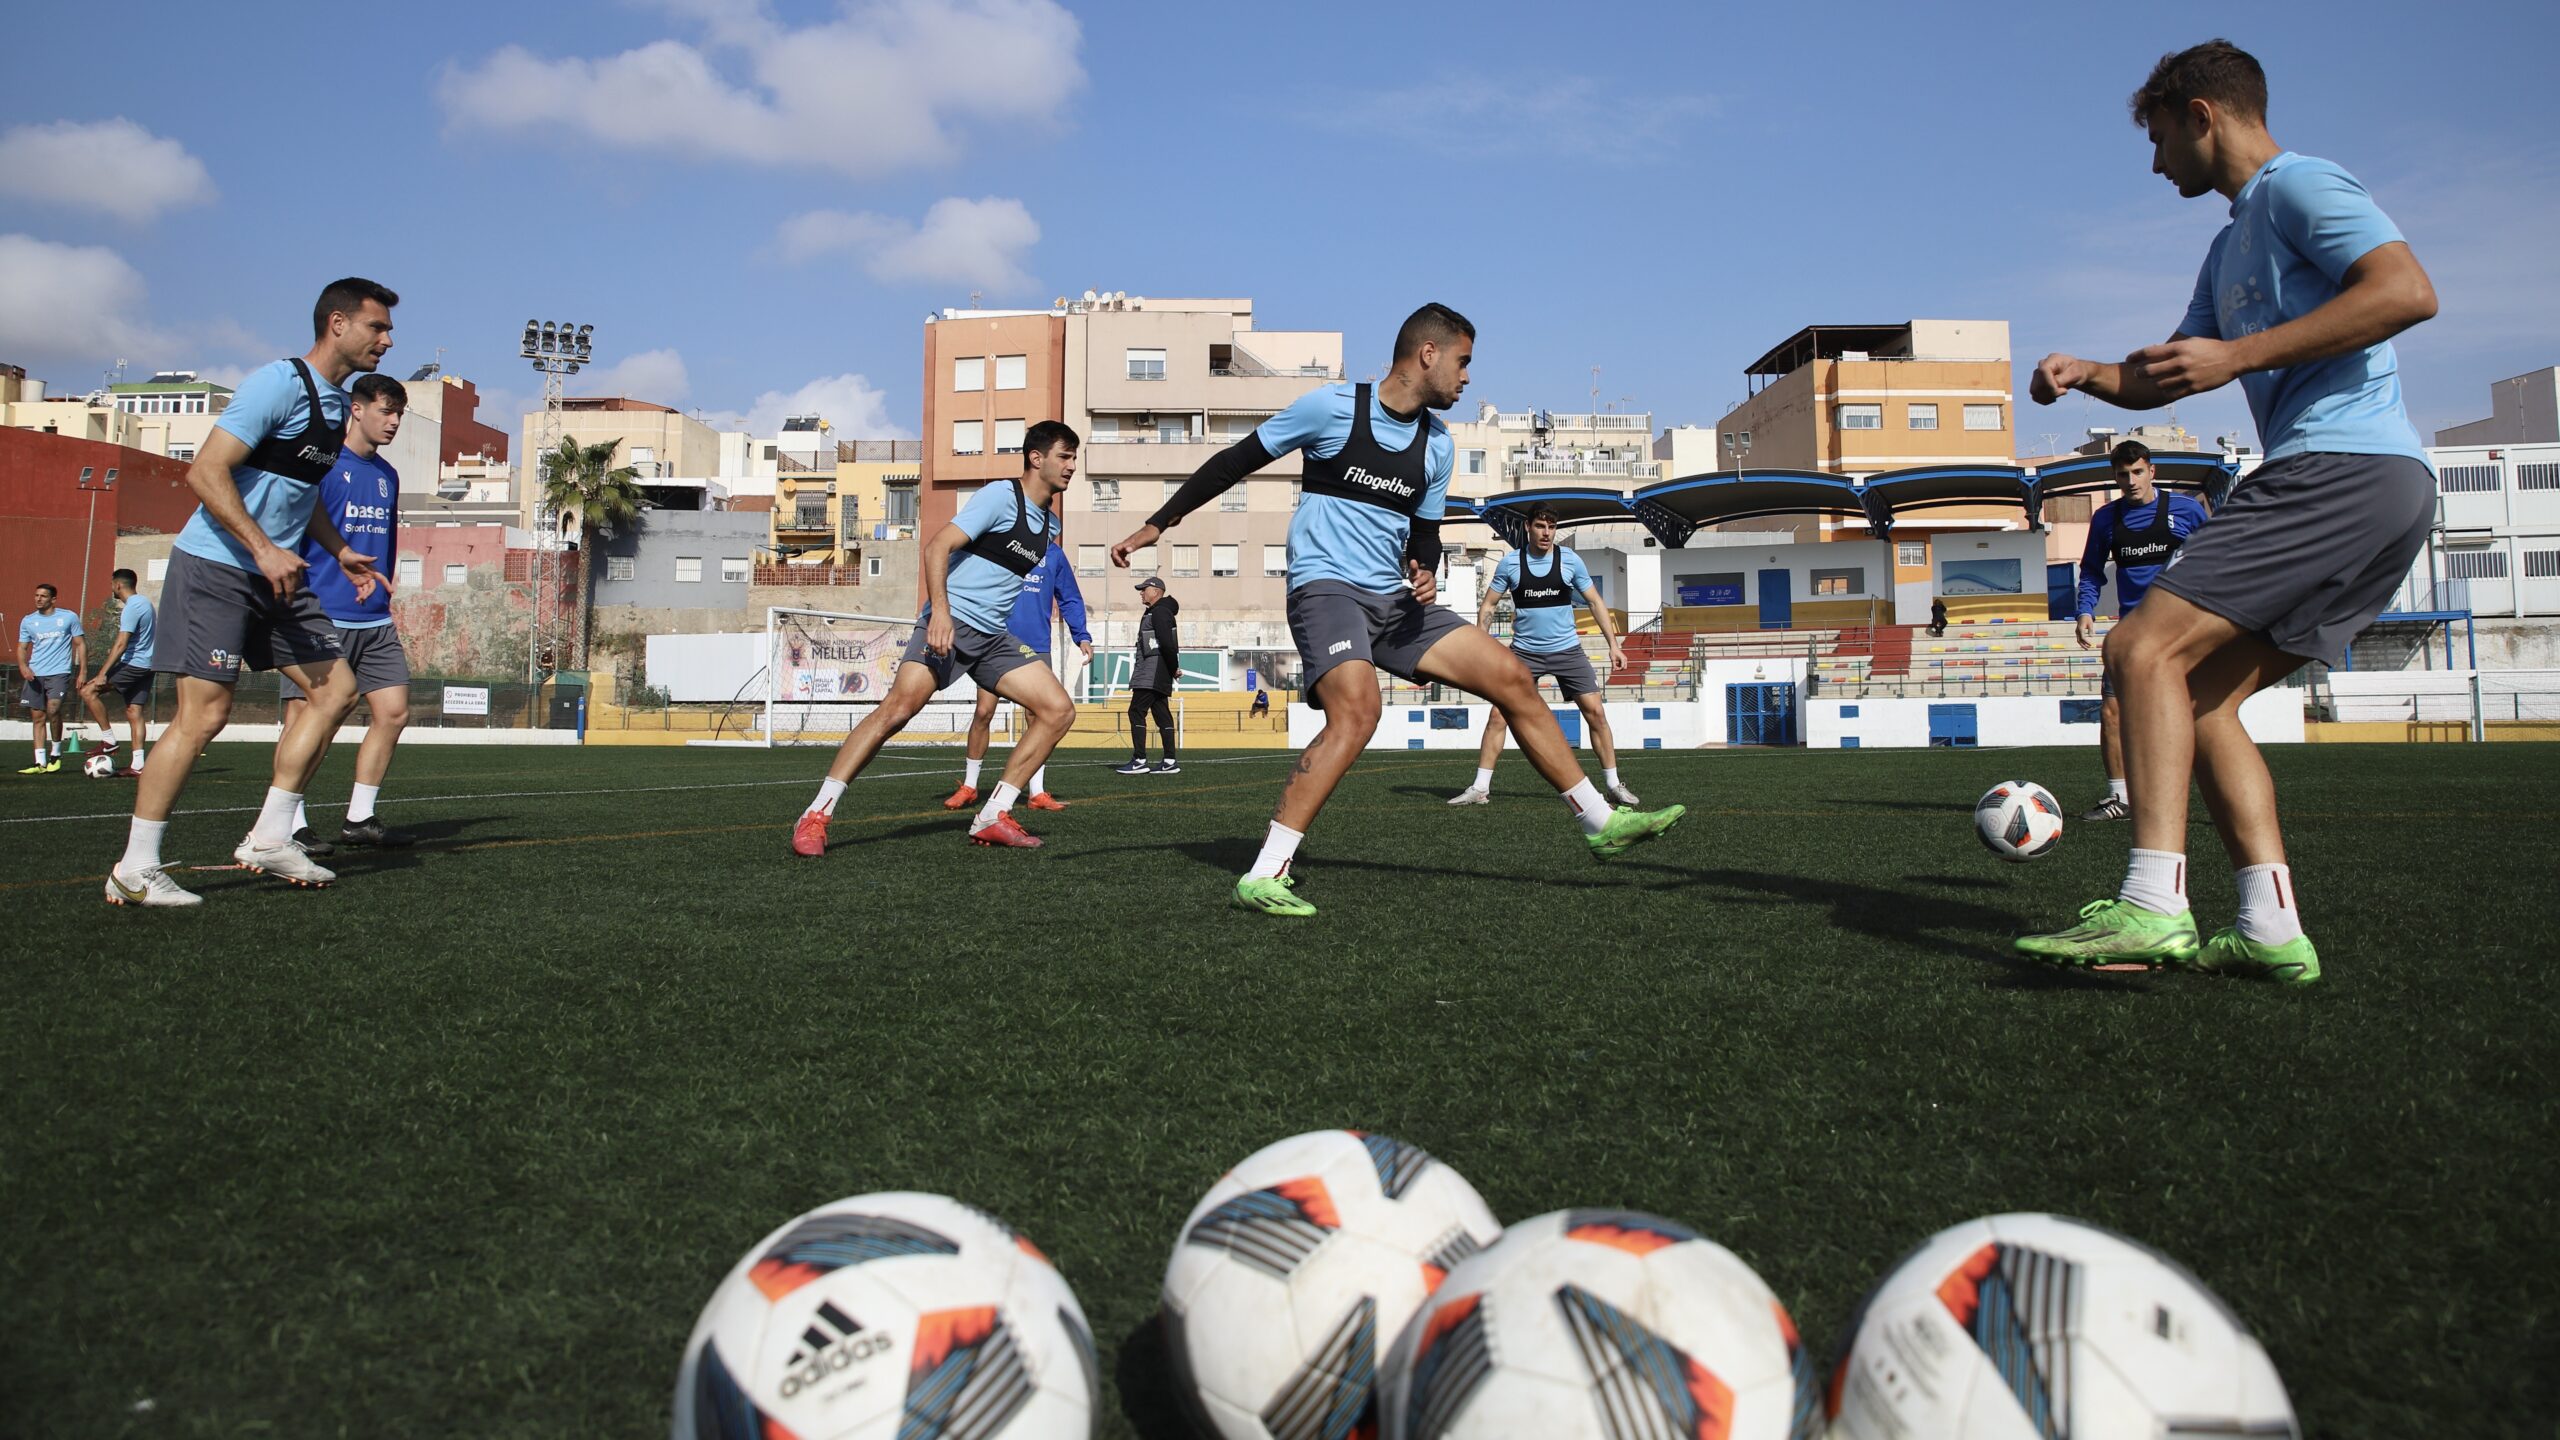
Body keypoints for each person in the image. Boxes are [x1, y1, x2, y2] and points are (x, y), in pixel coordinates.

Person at [2017, 40, 2439, 985]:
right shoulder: (2227, 245)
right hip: (2378, 488)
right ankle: (2269, 925)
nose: (2156, 162)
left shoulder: (2300, 187)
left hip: (2340, 464)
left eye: (2161, 139)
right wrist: (2086, 372)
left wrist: (2243, 360)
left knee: (2139, 651)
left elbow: (2407, 291)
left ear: (2204, 115)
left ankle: (2153, 907)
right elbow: (2170, 367)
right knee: (2203, 700)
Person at [1110, 302, 1684, 917]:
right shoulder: (1332, 407)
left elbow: (1426, 531)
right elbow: (1234, 462)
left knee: (1515, 679)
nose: (1467, 379)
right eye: (1463, 364)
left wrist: (1426, 568)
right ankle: (1264, 872)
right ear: (1427, 355)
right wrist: (1157, 525)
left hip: (1395, 601)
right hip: (1326, 591)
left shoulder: (1437, 444)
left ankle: (1600, 823)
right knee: (1359, 713)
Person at [103, 276, 397, 907]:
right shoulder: (279, 383)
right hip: (218, 568)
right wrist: (263, 548)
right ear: (338, 324)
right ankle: (136, 865)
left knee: (336, 690)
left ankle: (270, 835)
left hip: (279, 575)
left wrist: (341, 552)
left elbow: (302, 491)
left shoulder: (335, 404)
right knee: (204, 714)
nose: (387, 339)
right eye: (377, 327)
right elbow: (203, 470)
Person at [790, 421, 1083, 857]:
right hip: (950, 622)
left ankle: (992, 815)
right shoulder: (1002, 497)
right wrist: (939, 613)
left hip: (993, 638)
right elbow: (937, 546)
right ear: (1036, 458)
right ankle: (816, 814)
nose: (1072, 466)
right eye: (1065, 456)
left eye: (1075, 458)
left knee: (1058, 710)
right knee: (897, 710)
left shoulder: (1048, 525)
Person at [276, 372, 419, 852]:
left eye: (399, 413)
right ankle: (288, 822)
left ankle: (359, 817)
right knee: (304, 718)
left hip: (375, 618)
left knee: (394, 712)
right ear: (356, 409)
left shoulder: (388, 475)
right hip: (318, 612)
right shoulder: (321, 465)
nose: (394, 422)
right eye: (385, 411)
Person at [1446, 505, 1642, 808]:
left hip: (1568, 651)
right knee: (1499, 715)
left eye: (1551, 527)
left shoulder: (1569, 561)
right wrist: (1479, 650)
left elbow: (1595, 602)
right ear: (1528, 527)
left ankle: (1614, 785)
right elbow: (1488, 607)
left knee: (1596, 714)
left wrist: (1614, 645)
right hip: (1525, 653)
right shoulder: (1511, 564)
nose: (1546, 532)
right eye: (1540, 526)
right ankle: (1480, 788)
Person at [2072, 440, 2211, 821]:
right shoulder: (2105, 519)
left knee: (2205, 716)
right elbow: (2091, 570)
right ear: (2114, 477)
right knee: (2112, 712)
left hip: (2186, 631)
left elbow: (2218, 557)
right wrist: (2085, 611)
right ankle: (2121, 798)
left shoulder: (2186, 510)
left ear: (2152, 471)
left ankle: (2221, 797)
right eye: (2122, 474)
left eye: (2137, 472)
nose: (2130, 480)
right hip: (2133, 634)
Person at [945, 505, 1092, 813]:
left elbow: (1070, 596)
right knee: (984, 712)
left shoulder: (1054, 555)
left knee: (1038, 717)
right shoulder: (1005, 545)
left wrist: (1082, 635)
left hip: (1036, 644)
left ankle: (1036, 792)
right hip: (995, 640)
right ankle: (971, 786)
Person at [77, 569, 155, 774]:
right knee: (134, 711)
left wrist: (103, 672)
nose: (111, 588)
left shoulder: (133, 606)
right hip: (148, 665)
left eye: (112, 584)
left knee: (88, 691)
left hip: (134, 664)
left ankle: (109, 740)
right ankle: (138, 765)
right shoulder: (145, 603)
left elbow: (121, 643)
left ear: (118, 585)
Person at [1115, 577, 1181, 775]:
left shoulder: (1159, 611)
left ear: (1156, 590)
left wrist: (1173, 667)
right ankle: (1169, 761)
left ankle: (1139, 760)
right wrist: (1171, 668)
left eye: (1144, 589)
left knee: (1136, 710)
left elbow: (1167, 643)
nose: (1141, 593)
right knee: (1162, 715)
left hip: (1151, 672)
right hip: (1157, 672)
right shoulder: (1158, 611)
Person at [16, 583, 84, 773]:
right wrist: (23, 666)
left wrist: (83, 671)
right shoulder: (28, 621)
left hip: (59, 672)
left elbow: (80, 644)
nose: (38, 599)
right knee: (37, 717)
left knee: (53, 710)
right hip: (35, 674)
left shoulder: (68, 617)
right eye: (36, 595)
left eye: (43, 596)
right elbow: (22, 647)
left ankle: (56, 753)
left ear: (53, 599)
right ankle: (40, 763)